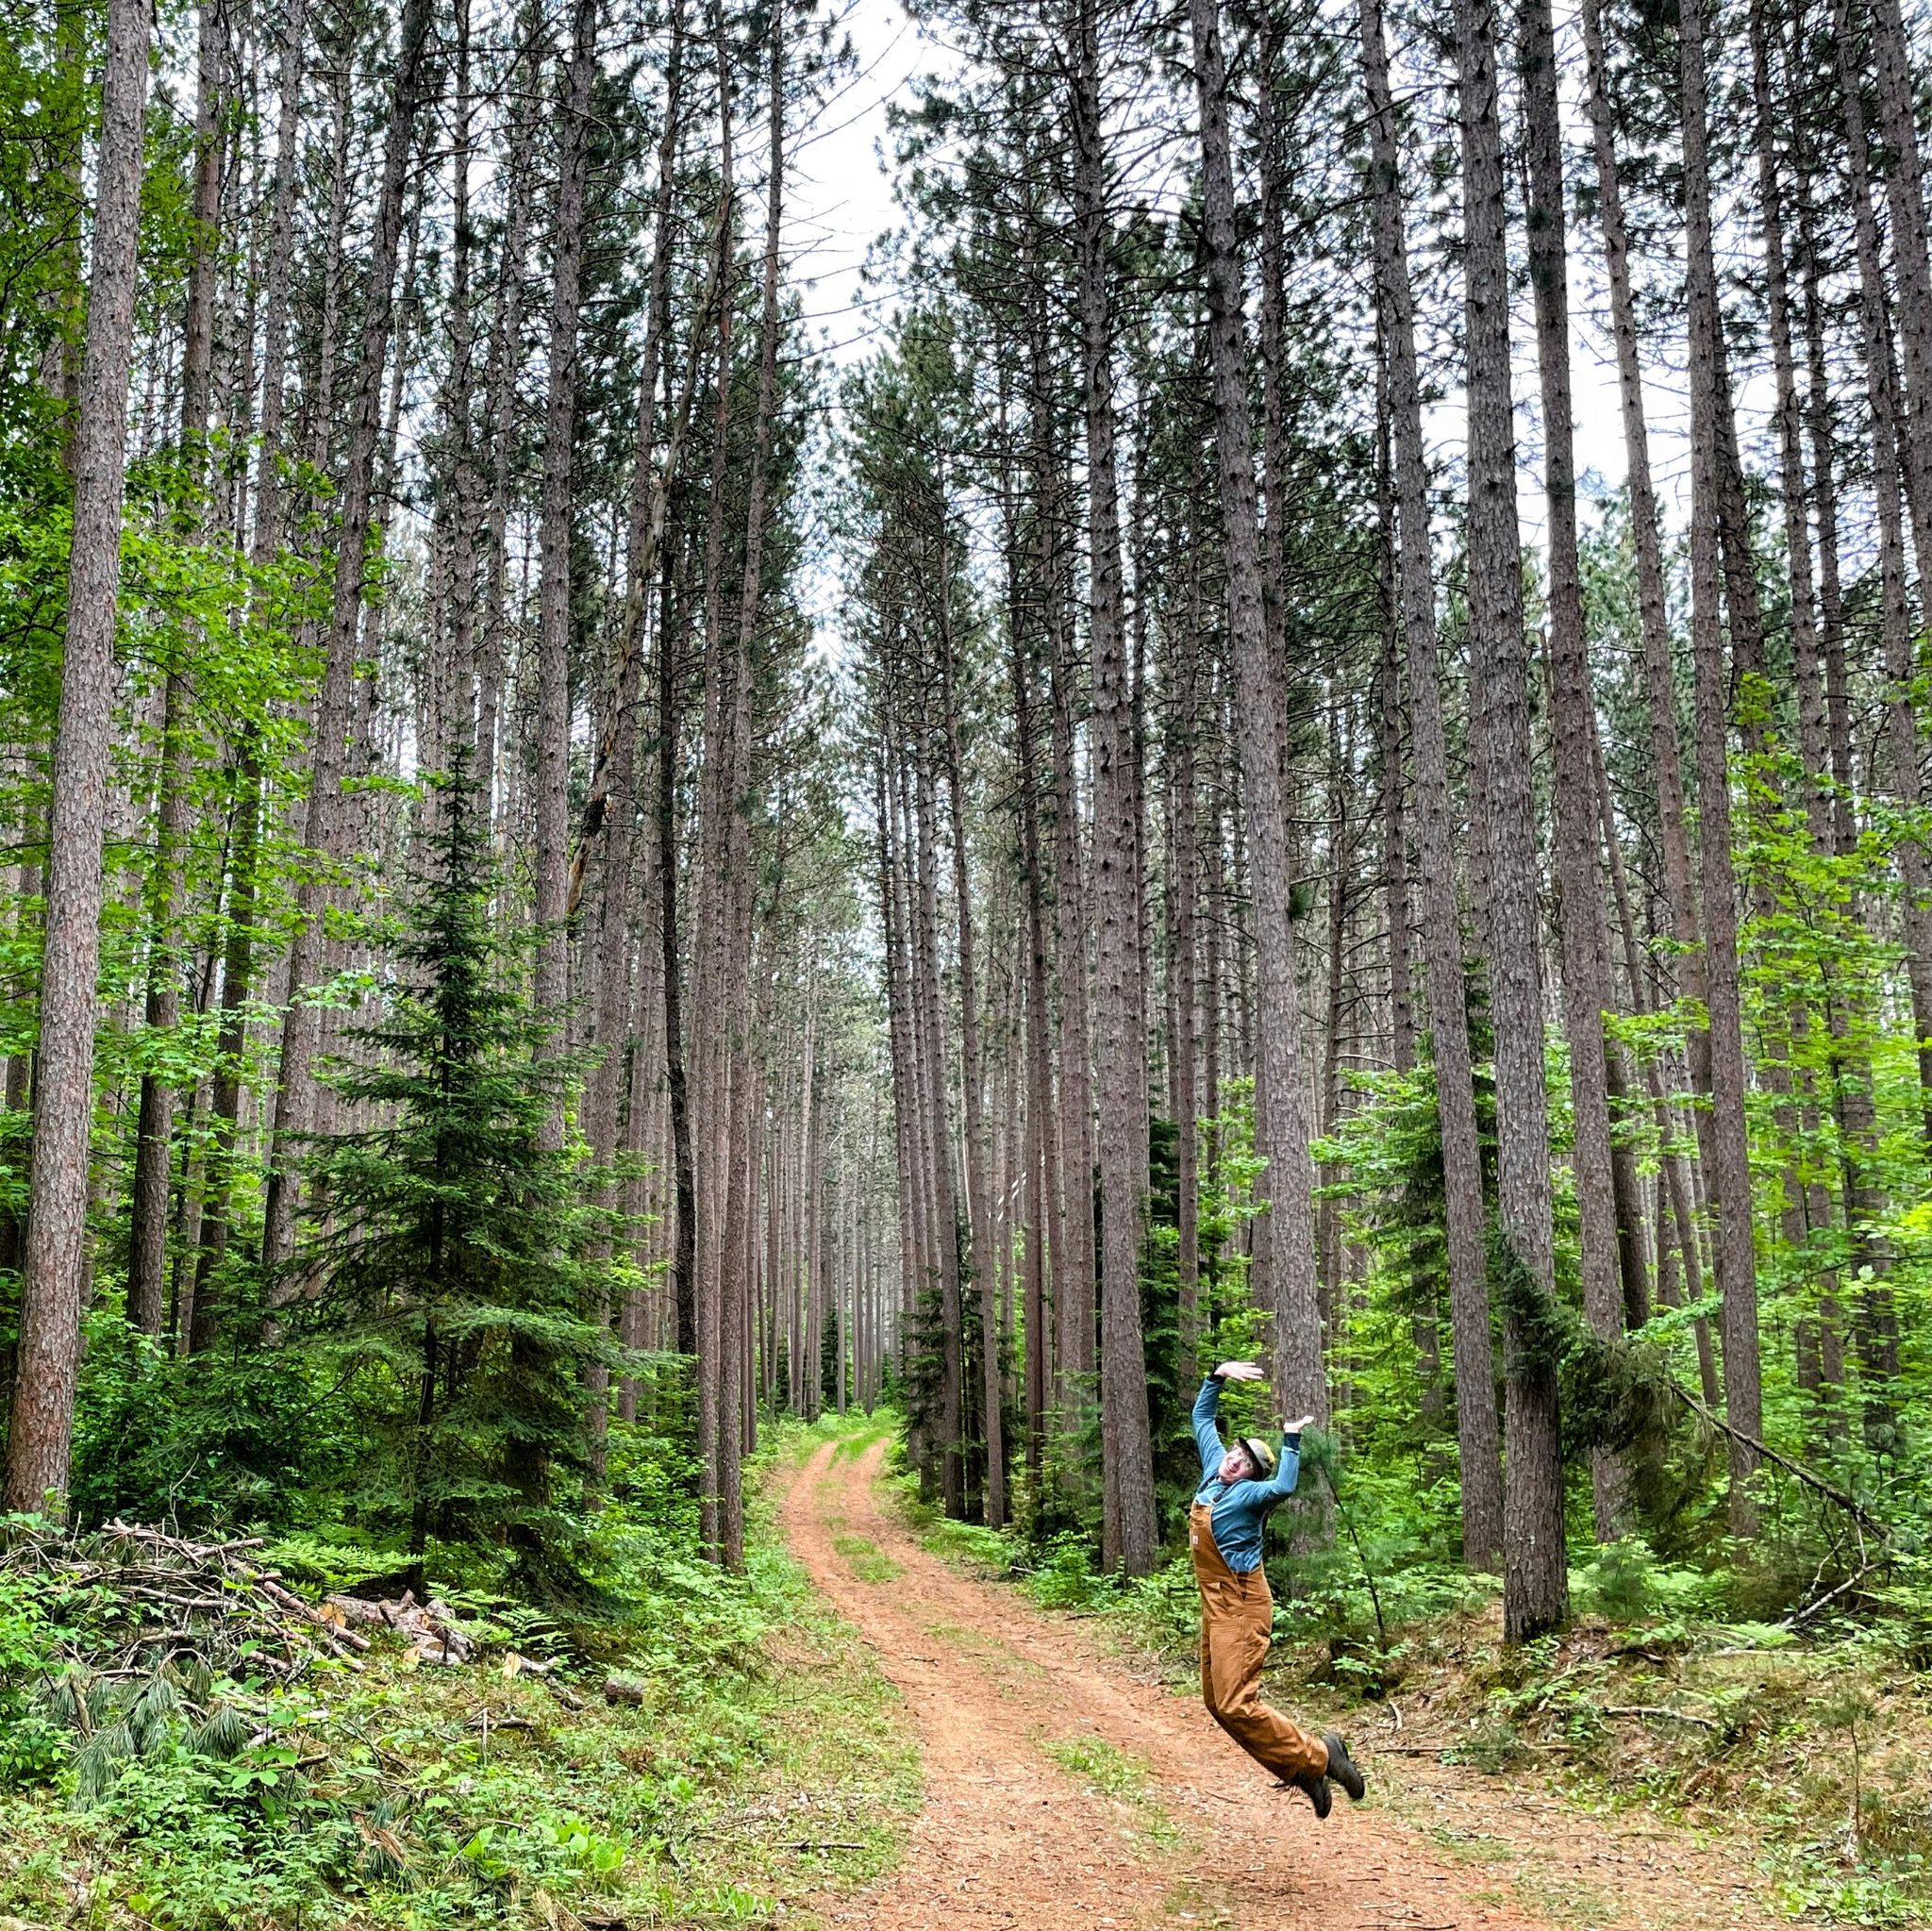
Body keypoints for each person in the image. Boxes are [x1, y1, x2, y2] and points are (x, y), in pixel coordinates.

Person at [1190, 1359, 1366, 1817]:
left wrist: (1292, 1438)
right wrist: (1217, 1375)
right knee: (1218, 1704)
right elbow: (1202, 1419)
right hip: (1216, 1607)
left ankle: (1323, 1758)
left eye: (1246, 1463)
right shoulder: (1213, 1469)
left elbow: (1286, 1483)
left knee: (1235, 1702)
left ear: (1251, 1476)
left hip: (1242, 1608)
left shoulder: (1249, 1497)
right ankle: (1301, 1769)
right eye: (1237, 1453)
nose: (1235, 1461)